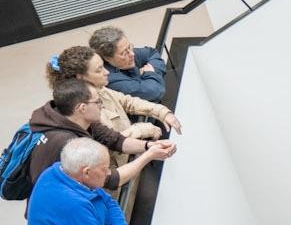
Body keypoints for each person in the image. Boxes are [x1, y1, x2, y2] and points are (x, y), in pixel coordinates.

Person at [23, 78, 172, 193]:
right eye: (97, 102)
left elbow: (116, 140)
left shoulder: (72, 119)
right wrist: (149, 155)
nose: (101, 105)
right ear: (82, 108)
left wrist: (147, 146)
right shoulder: (70, 145)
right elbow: (110, 179)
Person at [48, 45, 180, 146]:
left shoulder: (98, 88)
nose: (106, 72)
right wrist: (138, 130)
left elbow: (127, 102)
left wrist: (162, 112)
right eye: (99, 70)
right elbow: (104, 146)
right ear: (81, 78)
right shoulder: (83, 111)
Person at [87, 26, 168, 103]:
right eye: (124, 53)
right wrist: (150, 74)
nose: (132, 54)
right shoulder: (110, 80)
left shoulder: (127, 53)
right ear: (107, 58)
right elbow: (156, 91)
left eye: (129, 47)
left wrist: (148, 80)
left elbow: (152, 53)